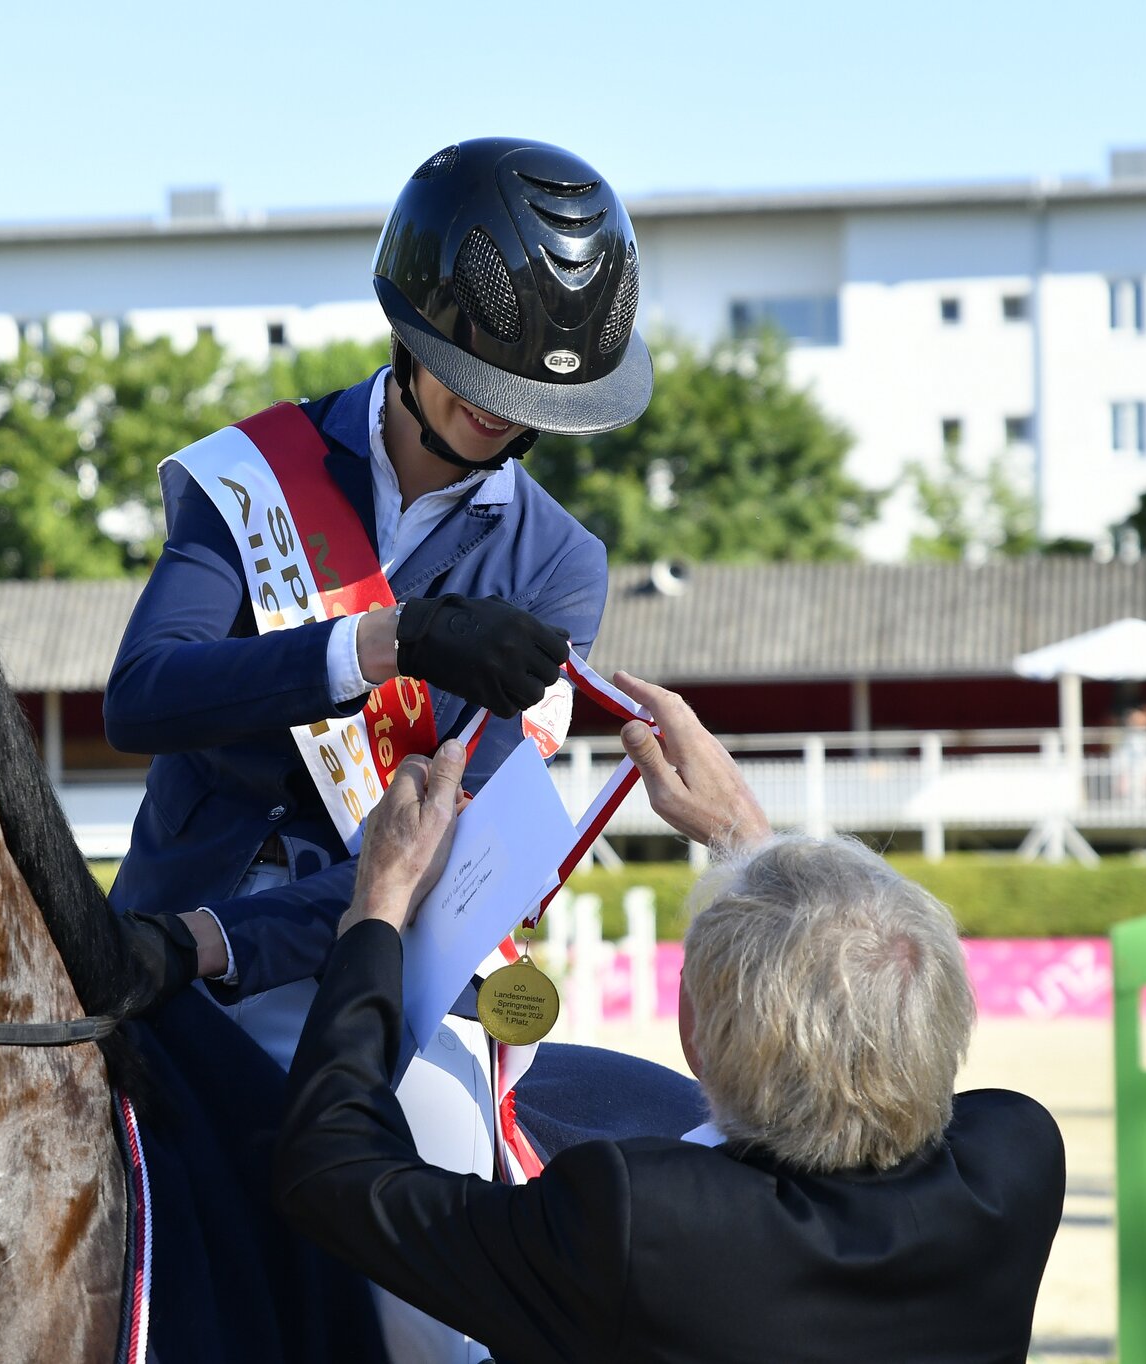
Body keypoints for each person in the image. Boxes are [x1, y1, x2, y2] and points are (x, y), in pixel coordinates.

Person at [109, 137, 656, 1362]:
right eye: (476, 369)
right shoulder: (250, 480)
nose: (499, 406)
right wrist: (380, 642)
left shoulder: (555, 565)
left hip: (384, 967)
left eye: (532, 396)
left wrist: (229, 942)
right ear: (411, 329)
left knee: (438, 1320)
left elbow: (445, 832)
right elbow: (142, 697)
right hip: (150, 943)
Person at [273, 671, 1068, 1364]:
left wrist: (379, 900)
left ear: (692, 1027)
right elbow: (884, 1019)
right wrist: (748, 842)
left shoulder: (640, 1219)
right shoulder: (1017, 1161)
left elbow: (333, 1171)